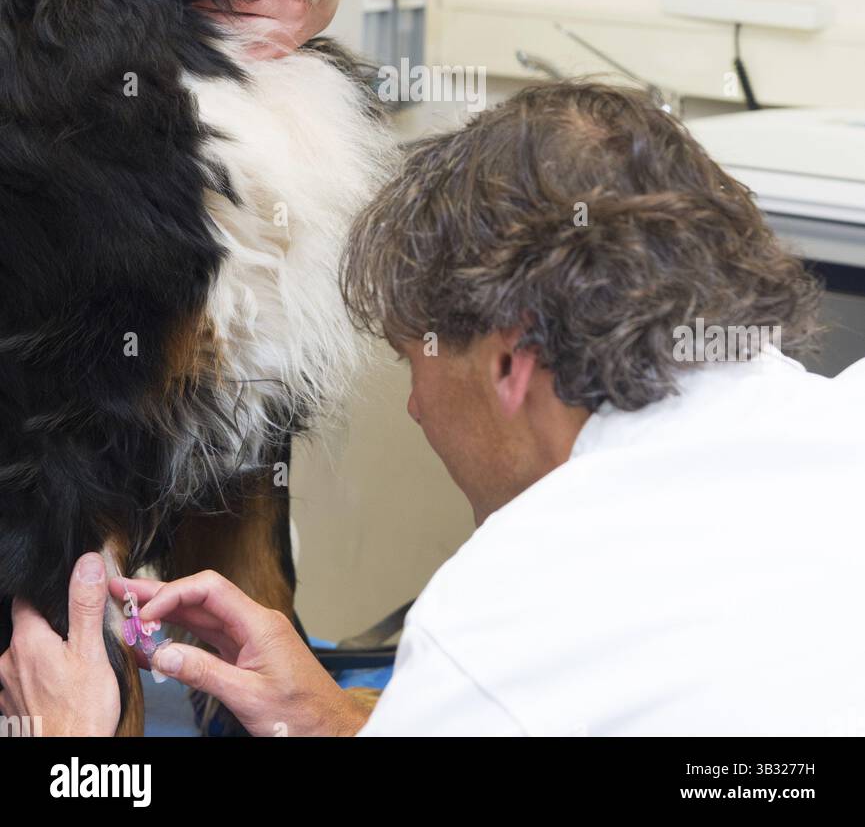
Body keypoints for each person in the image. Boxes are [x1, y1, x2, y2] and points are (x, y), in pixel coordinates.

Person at [2, 81, 864, 736]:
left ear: (509, 359)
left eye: (414, 360)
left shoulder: (511, 619)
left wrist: (74, 750)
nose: (414, 410)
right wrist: (337, 718)